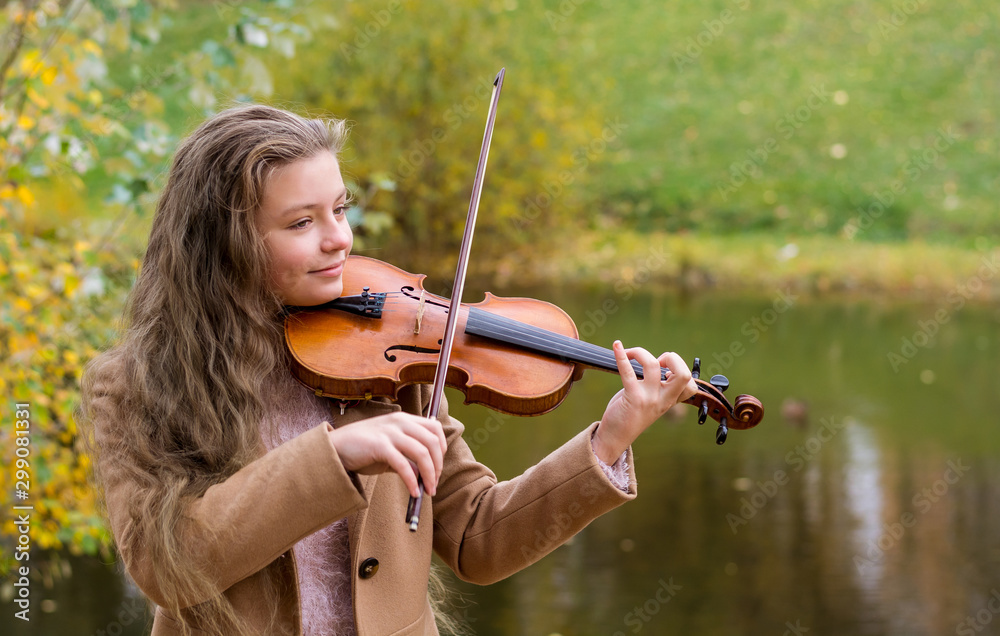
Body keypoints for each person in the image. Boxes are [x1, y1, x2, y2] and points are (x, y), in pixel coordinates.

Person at [80, 103, 697, 636]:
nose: (339, 239)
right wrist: (336, 455)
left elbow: (477, 536)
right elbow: (168, 567)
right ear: (223, 241)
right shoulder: (135, 385)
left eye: (340, 210)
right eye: (302, 222)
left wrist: (610, 438)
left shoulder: (386, 361)